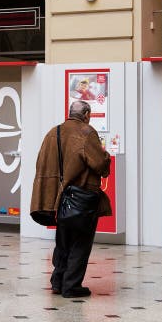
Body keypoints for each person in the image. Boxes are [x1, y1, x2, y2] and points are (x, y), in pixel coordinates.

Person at [31, 100, 111, 298]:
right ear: (86, 114)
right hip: (81, 197)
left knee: (63, 242)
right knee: (81, 243)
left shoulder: (54, 132)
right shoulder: (86, 133)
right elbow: (100, 165)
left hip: (61, 199)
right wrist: (106, 155)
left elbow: (42, 162)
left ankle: (58, 282)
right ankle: (72, 286)